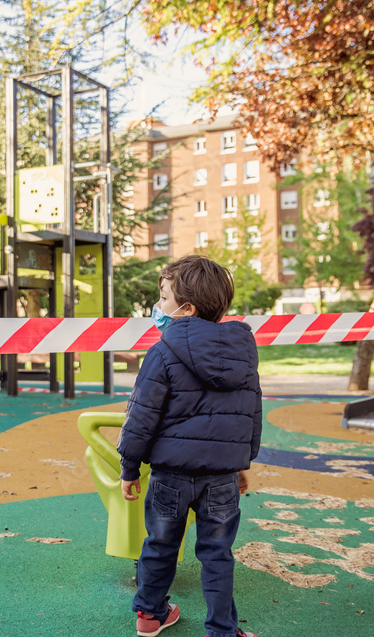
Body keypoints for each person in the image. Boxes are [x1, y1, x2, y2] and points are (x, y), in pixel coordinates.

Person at [118, 255, 263, 637]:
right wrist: (242, 461)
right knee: (217, 553)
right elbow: (250, 413)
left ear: (187, 309)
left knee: (161, 544)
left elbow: (141, 415)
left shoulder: (163, 352)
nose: (158, 308)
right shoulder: (244, 353)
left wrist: (130, 467)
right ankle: (222, 630)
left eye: (163, 299)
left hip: (171, 474)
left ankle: (150, 614)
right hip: (221, 477)